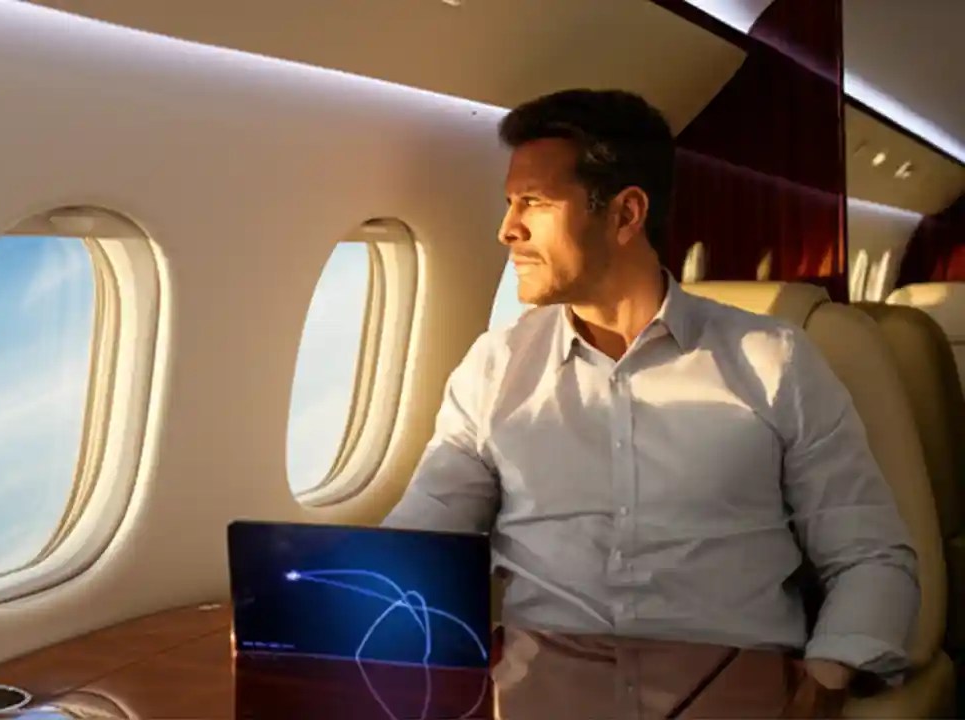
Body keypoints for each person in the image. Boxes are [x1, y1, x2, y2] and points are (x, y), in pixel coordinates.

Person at [383, 89, 919, 698]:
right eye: (510, 202)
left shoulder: (775, 362)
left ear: (625, 213)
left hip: (730, 687)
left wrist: (818, 687)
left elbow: (871, 557)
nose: (508, 229)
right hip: (539, 689)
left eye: (532, 202)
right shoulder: (495, 367)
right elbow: (421, 542)